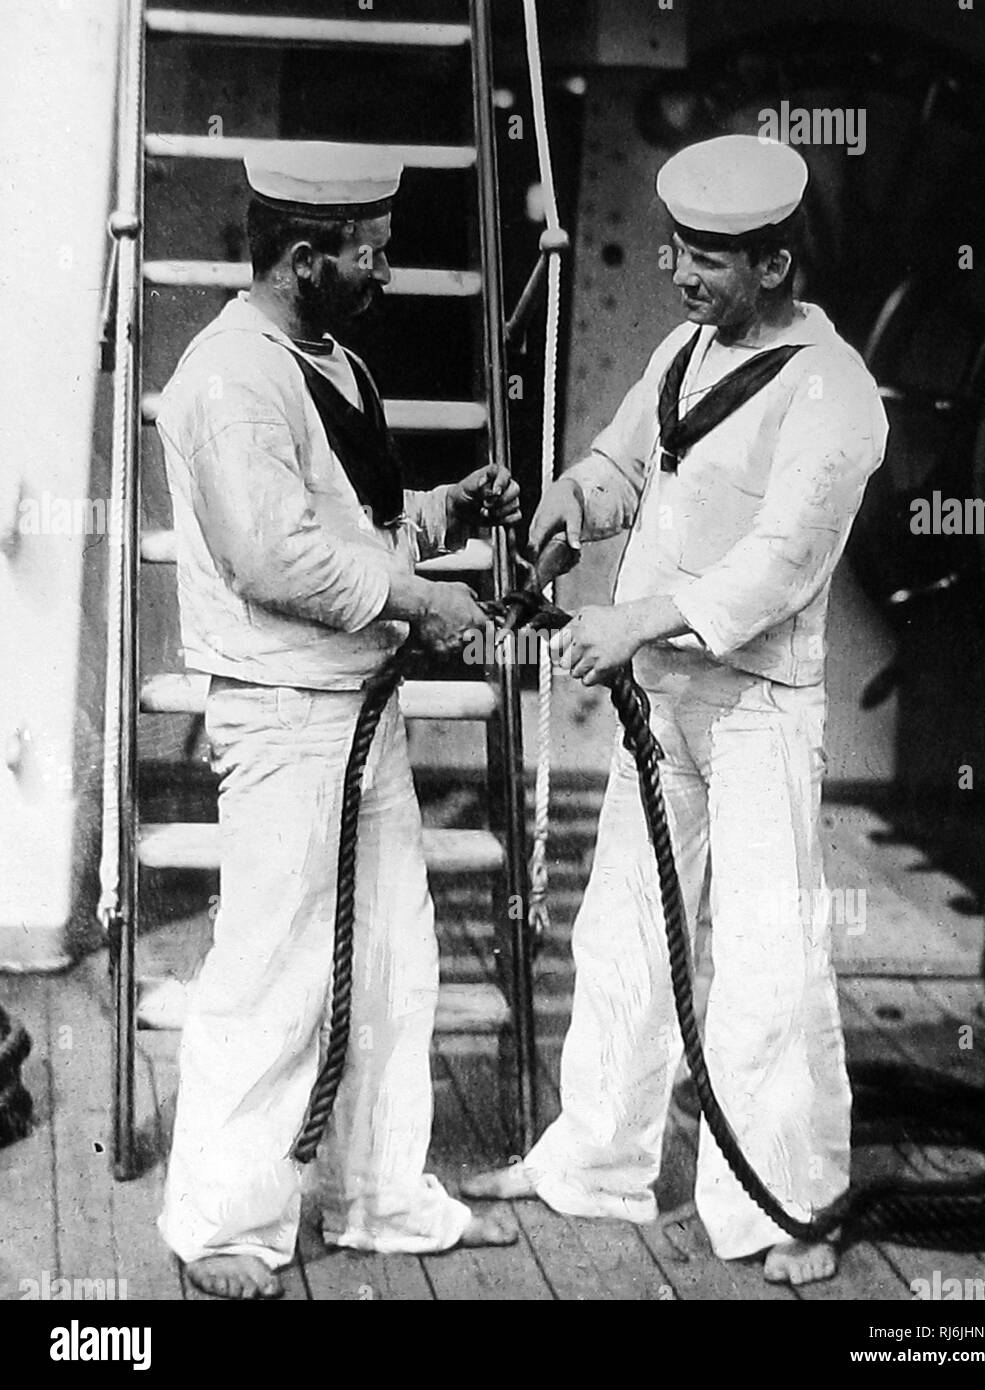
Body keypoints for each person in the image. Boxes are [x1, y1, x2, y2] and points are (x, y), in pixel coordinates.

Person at [464, 134, 888, 1286]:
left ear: (777, 265)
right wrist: (572, 501)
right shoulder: (686, 349)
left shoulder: (835, 397)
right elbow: (630, 461)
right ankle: (597, 1164)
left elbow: (777, 567)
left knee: (765, 960)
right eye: (676, 250)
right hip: (667, 699)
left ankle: (784, 1211)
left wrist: (633, 618)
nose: (678, 273)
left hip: (756, 713)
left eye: (705, 258)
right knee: (623, 932)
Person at [155, 142, 519, 1299]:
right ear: (304, 257)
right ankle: (223, 1224)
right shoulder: (230, 379)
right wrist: (421, 599)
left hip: (359, 712)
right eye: (371, 253)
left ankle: (380, 1193)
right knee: (272, 973)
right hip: (281, 716)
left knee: (396, 961)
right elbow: (272, 556)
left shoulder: (335, 366)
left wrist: (440, 513)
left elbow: (345, 523)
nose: (389, 270)